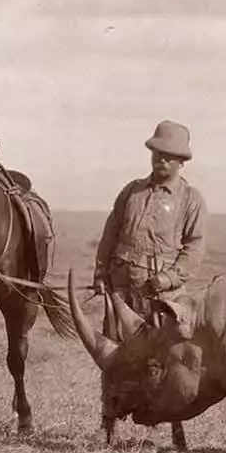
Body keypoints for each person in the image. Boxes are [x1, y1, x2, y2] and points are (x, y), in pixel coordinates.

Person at [92, 120, 207, 333]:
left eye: (169, 155)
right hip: (120, 289)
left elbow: (195, 248)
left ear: (181, 161)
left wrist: (168, 278)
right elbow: (110, 234)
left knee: (157, 357)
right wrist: (100, 273)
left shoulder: (191, 200)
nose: (161, 158)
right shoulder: (131, 191)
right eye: (157, 152)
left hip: (160, 295)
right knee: (115, 351)